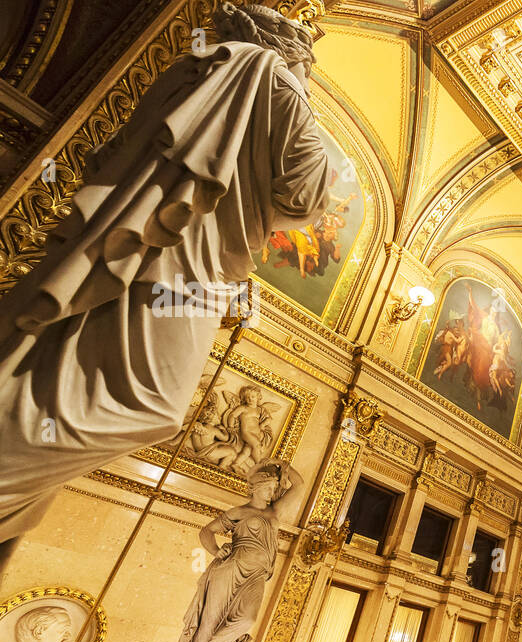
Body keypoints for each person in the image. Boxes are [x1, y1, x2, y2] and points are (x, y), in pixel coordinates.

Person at [0, 3, 331, 576]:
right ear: (292, 46)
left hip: (161, 246)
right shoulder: (266, 75)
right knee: (145, 406)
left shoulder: (204, 65)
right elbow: (306, 193)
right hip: (181, 254)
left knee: (73, 372)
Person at [169, 460, 302, 642]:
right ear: (256, 487)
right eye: (269, 487)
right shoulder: (239, 512)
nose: (273, 492)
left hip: (256, 575)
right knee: (210, 622)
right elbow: (206, 531)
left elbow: (299, 486)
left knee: (246, 621)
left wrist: (284, 467)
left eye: (274, 488)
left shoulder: (274, 512)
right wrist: (215, 550)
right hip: (230, 569)